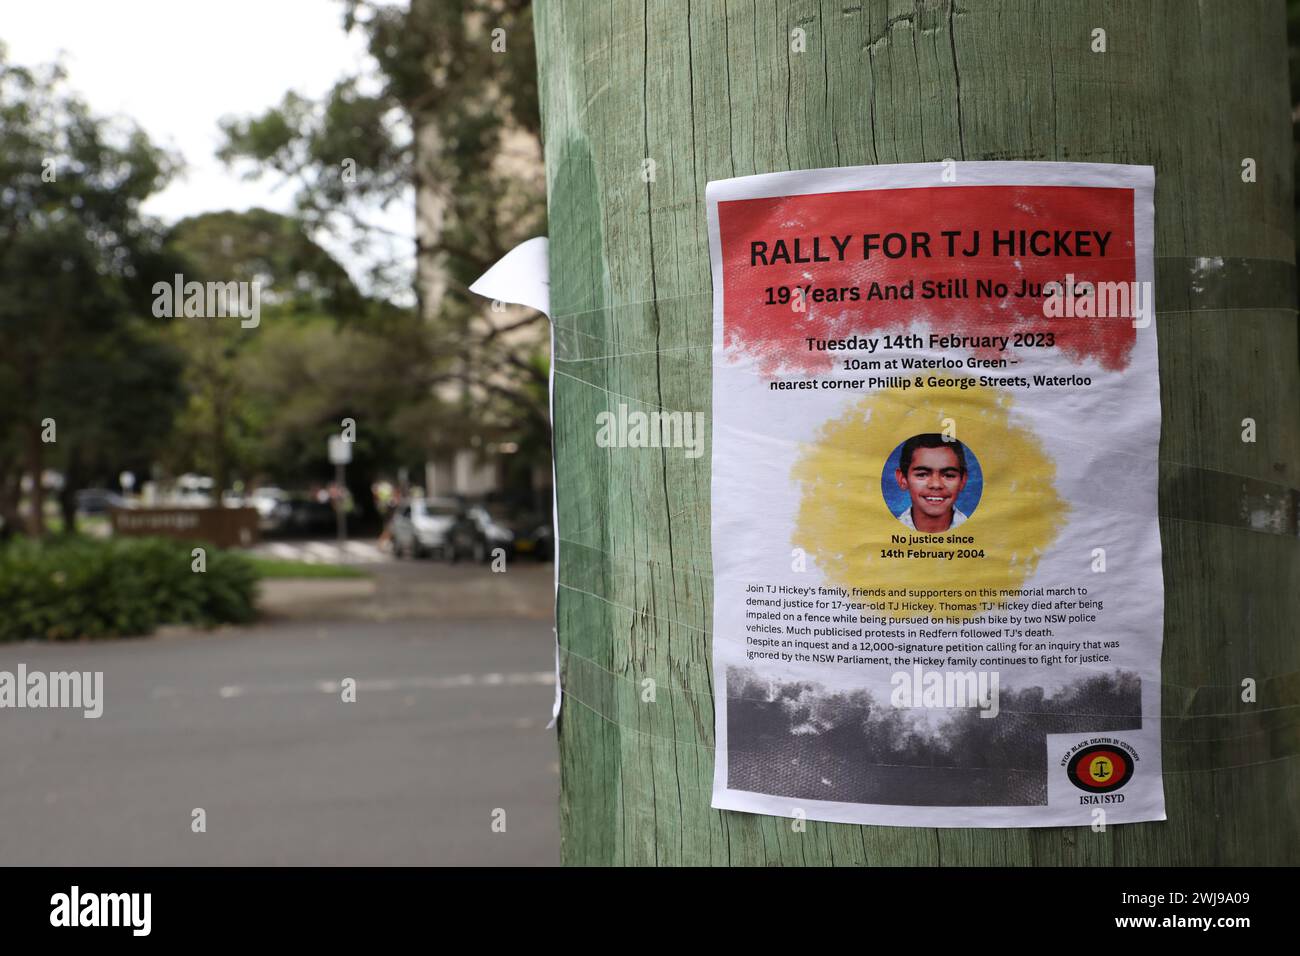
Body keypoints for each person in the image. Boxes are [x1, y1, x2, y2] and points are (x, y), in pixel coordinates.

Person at [893, 434, 970, 532]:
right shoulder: (885, 536)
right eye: (922, 475)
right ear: (902, 479)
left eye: (949, 475)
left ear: (963, 480)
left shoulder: (979, 536)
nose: (936, 485)